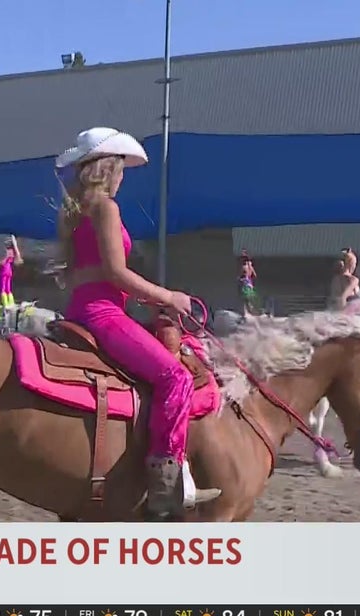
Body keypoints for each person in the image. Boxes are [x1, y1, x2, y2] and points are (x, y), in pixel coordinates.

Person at [55, 127, 222, 521]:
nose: (123, 176)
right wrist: (169, 298)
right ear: (108, 168)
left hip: (81, 309)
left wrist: (143, 299)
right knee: (175, 378)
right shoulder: (105, 208)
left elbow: (89, 273)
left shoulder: (76, 211)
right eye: (121, 169)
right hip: (104, 313)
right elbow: (116, 272)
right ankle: (165, 483)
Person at [0, 235, 23, 308]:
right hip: (9, 271)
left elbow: (2, 263)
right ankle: (11, 302)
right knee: (8, 288)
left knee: (3, 288)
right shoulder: (13, 252)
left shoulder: (7, 252)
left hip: (4, 271)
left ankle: (5, 304)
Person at [238, 250, 259, 315]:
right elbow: (255, 276)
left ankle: (248, 311)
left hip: (245, 283)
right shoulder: (250, 266)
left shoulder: (244, 267)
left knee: (246, 299)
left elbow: (240, 276)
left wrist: (240, 278)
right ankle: (251, 310)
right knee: (249, 298)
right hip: (250, 283)